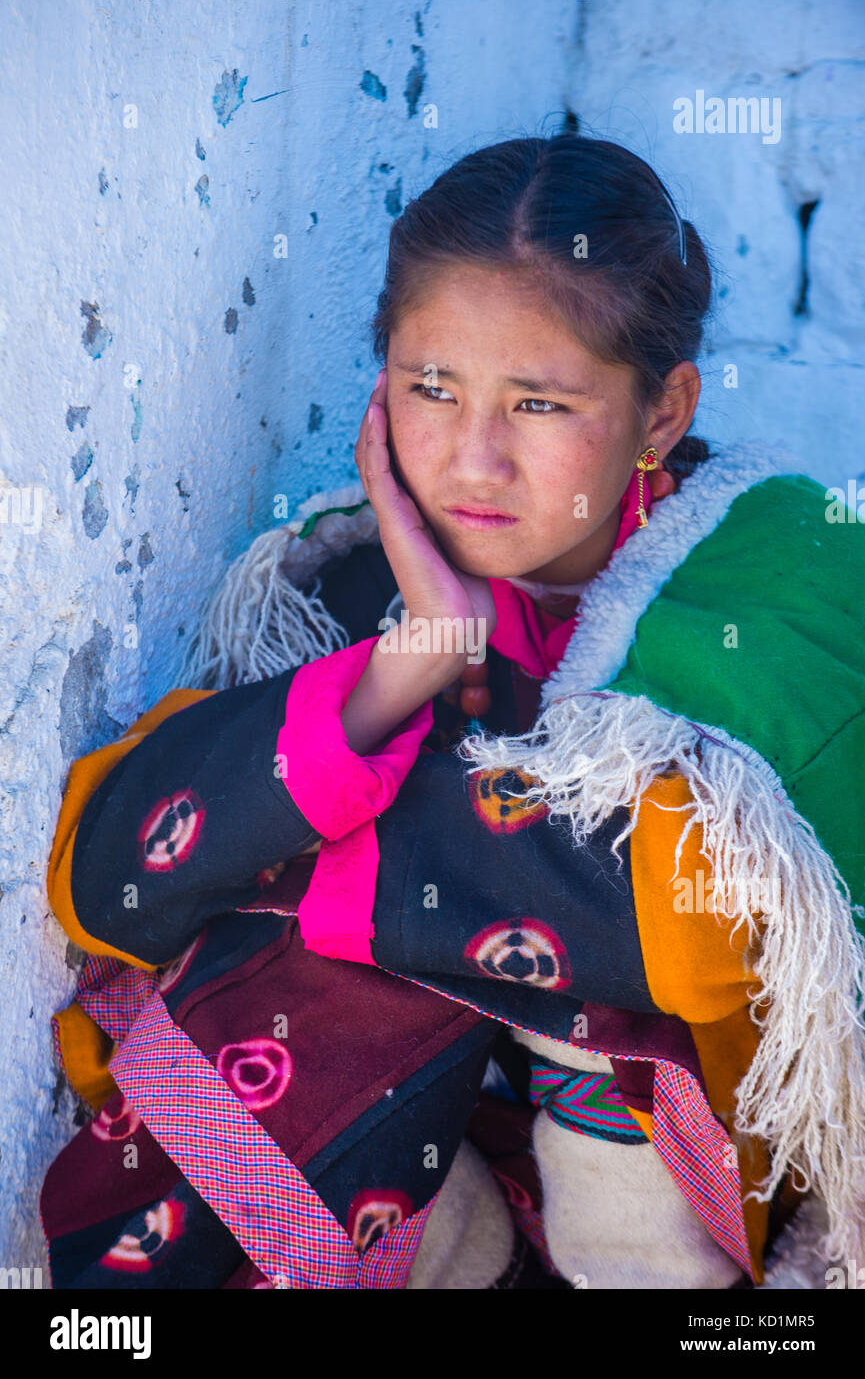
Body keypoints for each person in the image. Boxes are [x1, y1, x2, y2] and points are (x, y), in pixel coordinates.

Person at [40, 133, 865, 1290]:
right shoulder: (348, 587)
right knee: (290, 979)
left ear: (663, 411)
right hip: (457, 1173)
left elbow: (692, 936)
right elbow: (113, 880)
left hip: (702, 1198)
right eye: (432, 388)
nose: (473, 460)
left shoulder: (785, 587)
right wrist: (407, 661)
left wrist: (305, 856)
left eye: (537, 401)